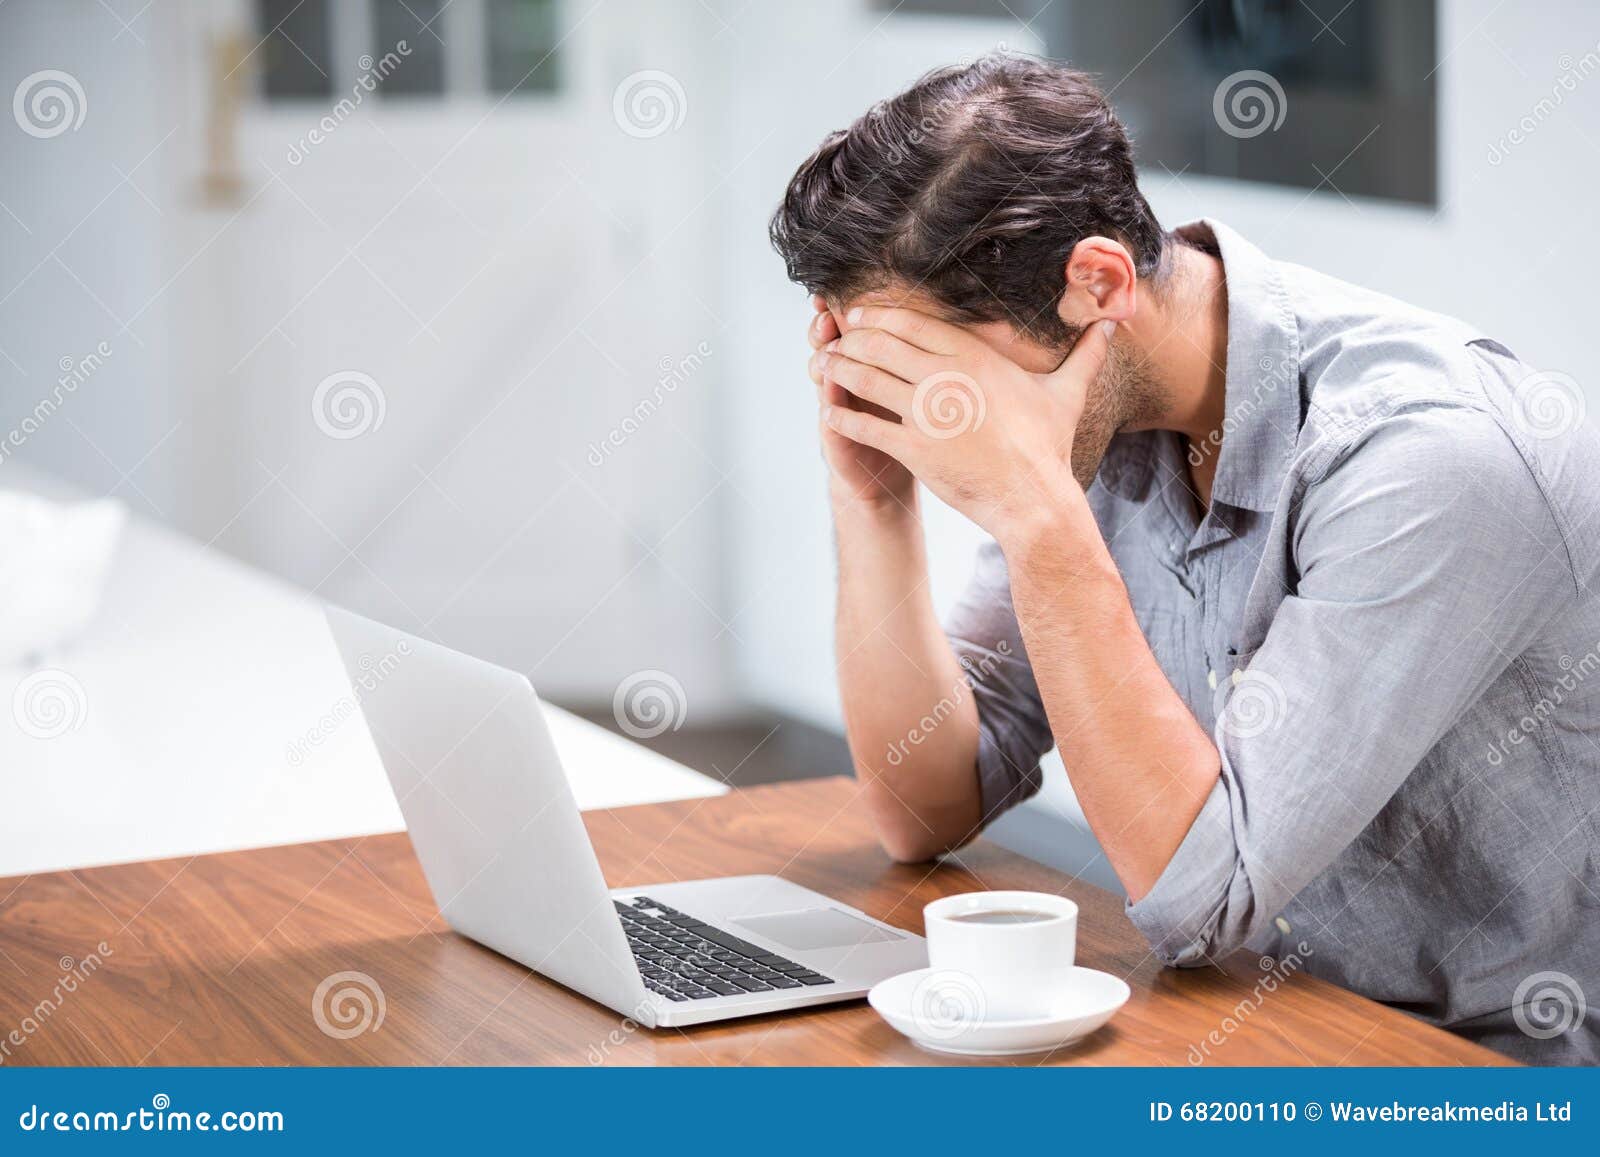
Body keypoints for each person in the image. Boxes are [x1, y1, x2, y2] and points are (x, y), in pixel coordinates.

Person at [768, 53, 1599, 1064]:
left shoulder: (1427, 459)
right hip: (1255, 1019)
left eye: (935, 376)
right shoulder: (1091, 418)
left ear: (1097, 283)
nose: (924, 415)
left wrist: (1039, 520)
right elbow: (923, 804)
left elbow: (1202, 899)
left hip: (1491, 1068)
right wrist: (874, 495)